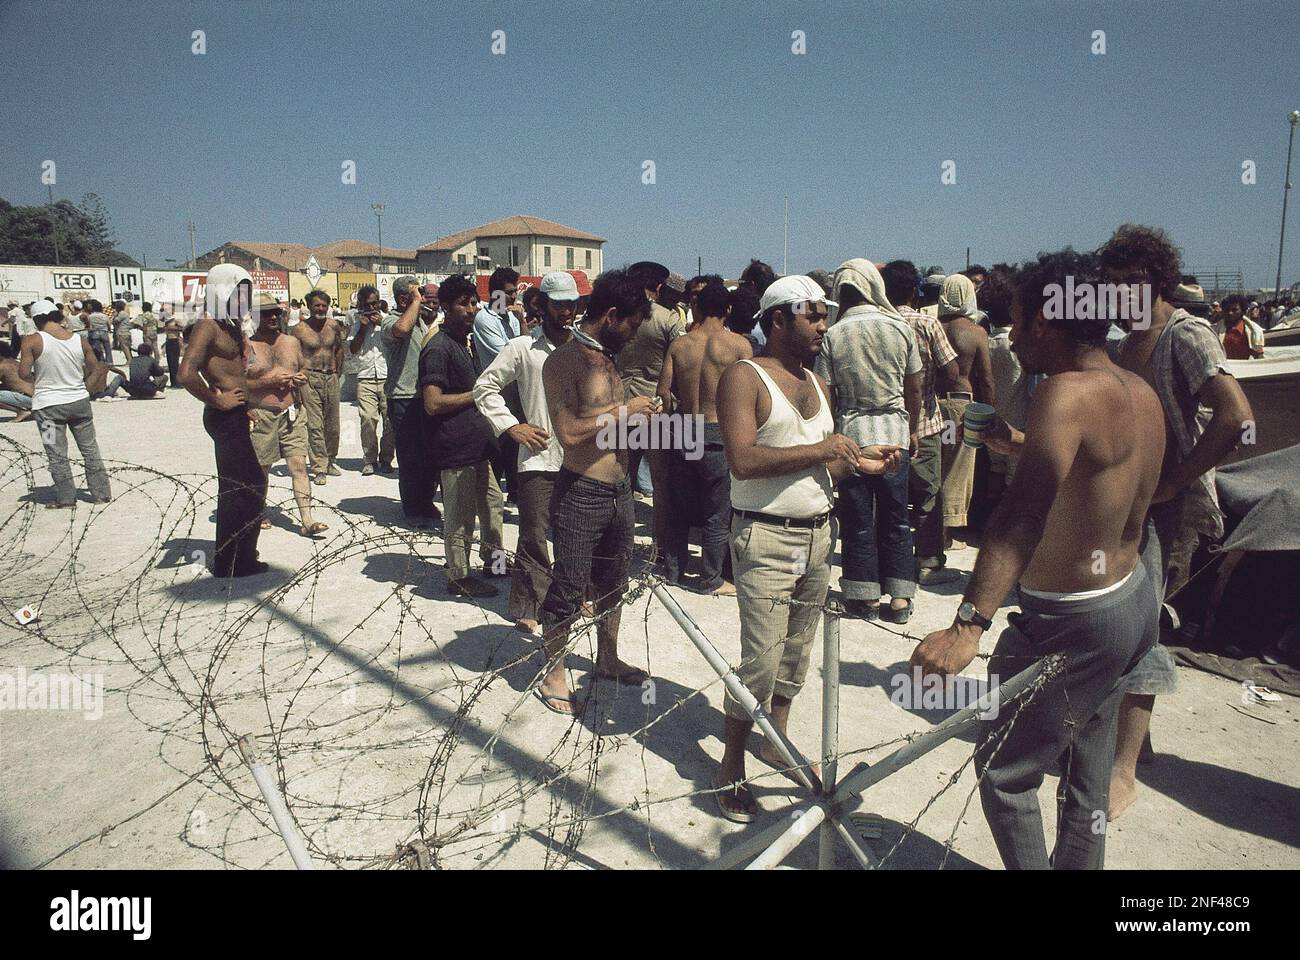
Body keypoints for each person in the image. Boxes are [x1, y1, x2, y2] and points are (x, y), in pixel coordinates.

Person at [912, 250, 1165, 870]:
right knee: (1085, 772)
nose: (1014, 336)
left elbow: (1022, 516)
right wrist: (1016, 441)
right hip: (1131, 596)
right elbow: (1101, 465)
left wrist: (968, 622)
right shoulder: (1137, 388)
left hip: (1071, 617)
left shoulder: (1065, 392)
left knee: (1005, 772)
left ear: (1046, 324)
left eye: (1019, 321)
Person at [712, 275, 901, 821]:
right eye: (812, 316)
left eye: (824, 315)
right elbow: (743, 460)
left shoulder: (816, 383)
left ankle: (776, 738)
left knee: (797, 652)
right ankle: (730, 766)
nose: (823, 325)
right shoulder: (744, 378)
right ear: (777, 319)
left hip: (818, 534)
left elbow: (823, 462)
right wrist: (823, 448)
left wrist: (859, 461)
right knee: (761, 660)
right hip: (766, 536)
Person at [1100, 224, 1254, 819]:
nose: (1119, 295)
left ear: (1158, 281)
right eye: (1110, 286)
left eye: (1131, 283)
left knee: (1140, 627)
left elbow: (1235, 417)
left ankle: (1124, 770)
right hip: (1135, 501)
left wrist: (1177, 478)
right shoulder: (1125, 339)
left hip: (1170, 507)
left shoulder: (1183, 334)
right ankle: (1133, 737)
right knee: (1119, 617)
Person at [536, 268, 654, 714]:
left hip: (619, 492)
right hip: (582, 492)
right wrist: (627, 411)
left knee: (612, 583)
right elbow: (568, 432)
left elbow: (608, 423)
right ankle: (555, 672)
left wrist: (639, 420)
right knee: (568, 585)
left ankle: (607, 659)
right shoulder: (565, 361)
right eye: (632, 323)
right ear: (609, 314)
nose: (635, 333)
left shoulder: (606, 358)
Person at [816, 259, 922, 622]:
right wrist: (913, 428)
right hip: (895, 433)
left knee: (857, 518)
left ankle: (865, 597)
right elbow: (914, 387)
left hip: (852, 437)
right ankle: (901, 597)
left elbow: (827, 392)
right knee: (897, 518)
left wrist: (830, 438)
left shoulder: (834, 334)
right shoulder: (900, 328)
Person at [474, 271, 576, 633]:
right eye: (558, 305)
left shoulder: (585, 348)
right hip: (539, 458)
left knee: (573, 536)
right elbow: (484, 387)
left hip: (579, 459)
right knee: (534, 536)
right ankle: (529, 607)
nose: (566, 312)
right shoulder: (522, 348)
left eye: (570, 305)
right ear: (543, 307)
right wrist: (511, 426)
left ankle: (569, 600)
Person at [656, 277, 752, 595]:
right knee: (717, 511)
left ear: (696, 306)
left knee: (678, 508)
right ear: (727, 308)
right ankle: (711, 578)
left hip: (683, 429)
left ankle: (672, 570)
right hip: (717, 432)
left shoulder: (681, 344)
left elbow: (663, 394)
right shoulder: (739, 345)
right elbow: (750, 394)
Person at [177, 263, 268, 578]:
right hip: (222, 415)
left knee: (248, 485)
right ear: (221, 291)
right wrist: (217, 399)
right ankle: (230, 561)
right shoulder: (208, 326)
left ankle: (241, 555)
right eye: (238, 292)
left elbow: (236, 372)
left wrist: (245, 406)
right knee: (240, 487)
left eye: (247, 293)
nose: (244, 299)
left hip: (236, 413)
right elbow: (186, 373)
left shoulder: (230, 326)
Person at [420, 274, 503, 597]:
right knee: (460, 516)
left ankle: (494, 563)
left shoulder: (465, 343)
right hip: (455, 448)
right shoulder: (438, 348)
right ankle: (459, 576)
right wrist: (477, 394)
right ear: (444, 307)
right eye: (463, 304)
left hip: (479, 444)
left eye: (474, 303)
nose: (471, 310)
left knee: (492, 507)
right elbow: (432, 402)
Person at [884, 261, 961, 586]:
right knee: (928, 494)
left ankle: (891, 560)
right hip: (926, 424)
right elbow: (953, 372)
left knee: (891, 497)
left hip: (886, 425)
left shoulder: (880, 324)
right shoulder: (927, 325)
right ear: (914, 292)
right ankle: (928, 559)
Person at [616, 260, 685, 552]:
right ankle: (659, 547)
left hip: (620, 405)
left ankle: (620, 542)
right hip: (656, 407)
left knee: (620, 480)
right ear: (659, 287)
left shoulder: (618, 314)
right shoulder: (668, 319)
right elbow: (680, 364)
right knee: (660, 483)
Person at [245, 294, 326, 539]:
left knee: (298, 466)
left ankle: (307, 520)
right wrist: (269, 381)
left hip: (291, 413)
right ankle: (259, 512)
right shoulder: (248, 346)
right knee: (262, 469)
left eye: (276, 313)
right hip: (262, 414)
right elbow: (240, 383)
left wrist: (301, 376)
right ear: (254, 317)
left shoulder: (291, 342)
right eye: (266, 313)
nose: (272, 318)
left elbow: (302, 367)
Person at [19, 300, 112, 508]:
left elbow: (23, 374)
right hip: (79, 403)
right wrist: (84, 387)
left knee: (56, 452)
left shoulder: (32, 341)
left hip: (48, 408)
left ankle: (66, 497)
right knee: (90, 449)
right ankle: (101, 493)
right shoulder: (78, 339)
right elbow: (95, 368)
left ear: (36, 319)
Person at [936, 273, 994, 543]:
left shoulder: (932, 326)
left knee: (936, 466)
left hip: (933, 404)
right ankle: (946, 533)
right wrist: (990, 414)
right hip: (962, 407)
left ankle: (933, 530)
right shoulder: (975, 332)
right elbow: (986, 379)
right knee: (957, 470)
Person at [381, 278, 439, 526]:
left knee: (429, 455)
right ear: (403, 298)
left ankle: (426, 502)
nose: (423, 296)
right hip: (403, 397)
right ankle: (413, 509)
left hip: (423, 396)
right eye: (417, 292)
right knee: (410, 457)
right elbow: (401, 330)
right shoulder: (391, 320)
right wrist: (416, 301)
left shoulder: (420, 320)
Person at [474, 267, 523, 501]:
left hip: (514, 392)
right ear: (495, 294)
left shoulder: (510, 318)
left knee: (513, 448)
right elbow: (511, 356)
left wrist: (520, 320)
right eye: (509, 292)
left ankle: (514, 492)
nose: (514, 297)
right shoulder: (485, 319)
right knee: (496, 450)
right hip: (497, 392)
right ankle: (489, 500)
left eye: (515, 292)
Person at [291, 289, 344, 483]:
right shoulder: (299, 329)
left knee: (333, 424)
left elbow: (339, 349)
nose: (320, 309)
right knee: (314, 424)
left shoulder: (334, 326)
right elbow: (293, 355)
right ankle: (319, 467)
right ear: (309, 306)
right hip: (309, 378)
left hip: (331, 377)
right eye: (317, 306)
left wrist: (338, 372)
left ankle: (330, 460)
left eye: (324, 305)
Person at [347, 288, 396, 476]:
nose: (371, 308)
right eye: (366, 305)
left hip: (387, 376)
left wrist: (382, 324)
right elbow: (352, 349)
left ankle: (386, 458)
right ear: (360, 305)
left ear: (379, 302)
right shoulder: (358, 323)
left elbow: (397, 339)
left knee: (390, 421)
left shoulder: (388, 319)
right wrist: (362, 328)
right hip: (366, 376)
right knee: (367, 419)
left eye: (374, 304)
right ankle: (369, 459)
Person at [102, 343, 168, 399]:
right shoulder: (150, 360)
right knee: (164, 377)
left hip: (132, 389)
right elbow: (160, 373)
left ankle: (109, 394)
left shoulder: (133, 360)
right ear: (150, 352)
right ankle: (155, 392)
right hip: (147, 389)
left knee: (119, 378)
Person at [1216, 294, 1264, 359]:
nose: (1230, 313)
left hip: (1243, 367)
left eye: (1234, 310)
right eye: (1227, 310)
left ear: (1243, 311)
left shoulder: (1252, 331)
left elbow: (1259, 356)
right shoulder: (1215, 330)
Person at [0, 342, 34, 421]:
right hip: (36, 398)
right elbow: (11, 383)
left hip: (28, 399)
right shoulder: (13, 362)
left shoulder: (2, 366)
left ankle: (21, 411)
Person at [163, 309, 184, 386]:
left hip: (174, 341)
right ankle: (173, 382)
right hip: (168, 341)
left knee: (174, 362)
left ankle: (177, 382)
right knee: (170, 363)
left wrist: (172, 328)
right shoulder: (166, 320)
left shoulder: (175, 319)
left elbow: (183, 328)